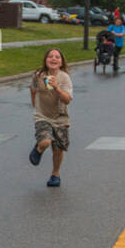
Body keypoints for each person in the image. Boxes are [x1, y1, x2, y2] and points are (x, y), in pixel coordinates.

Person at [27, 48, 73, 188]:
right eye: (50, 56)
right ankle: (39, 148)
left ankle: (55, 174)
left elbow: (67, 99)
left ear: (61, 62)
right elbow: (33, 89)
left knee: (58, 149)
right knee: (46, 141)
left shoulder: (64, 77)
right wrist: (35, 105)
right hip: (42, 116)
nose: (53, 59)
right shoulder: (38, 75)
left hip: (60, 117)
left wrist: (57, 87)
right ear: (45, 60)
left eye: (57, 57)